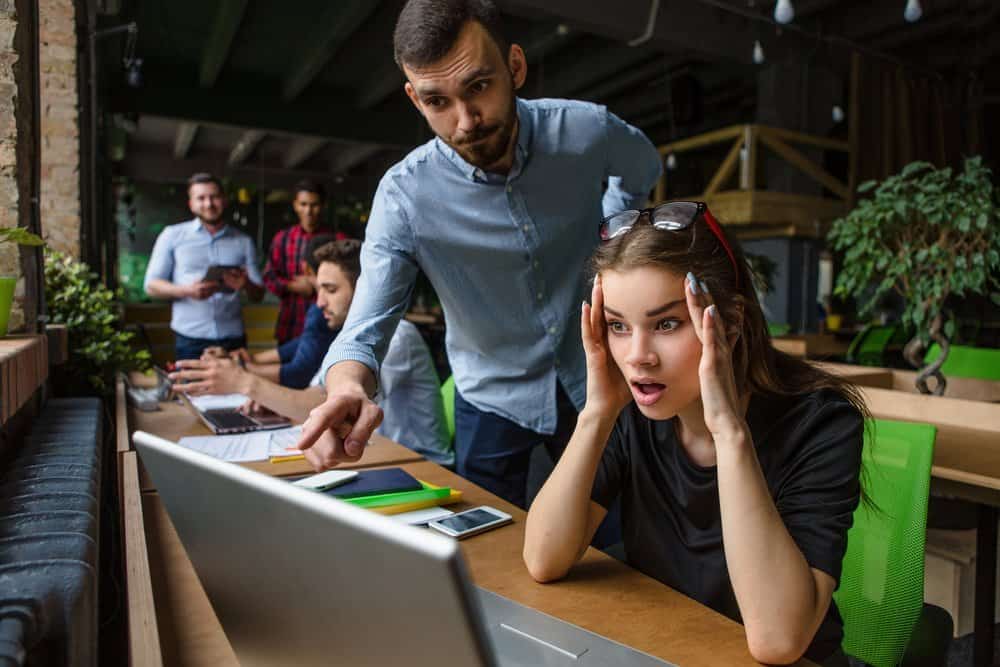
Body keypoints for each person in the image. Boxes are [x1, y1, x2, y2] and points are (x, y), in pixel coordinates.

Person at [297, 0, 661, 508]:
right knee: (485, 536)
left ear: (515, 66)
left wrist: (611, 239)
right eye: (437, 101)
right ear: (414, 99)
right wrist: (346, 387)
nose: (465, 121)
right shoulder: (404, 196)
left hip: (594, 375)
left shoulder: (585, 130)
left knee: (616, 530)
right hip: (490, 397)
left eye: (479, 86)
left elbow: (643, 167)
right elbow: (366, 324)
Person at [522, 201, 867, 667]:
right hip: (667, 647)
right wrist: (597, 413)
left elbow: (778, 641)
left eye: (666, 324)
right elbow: (543, 558)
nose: (637, 356)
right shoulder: (631, 411)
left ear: (730, 322)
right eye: (618, 326)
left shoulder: (821, 423)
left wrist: (729, 431)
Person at [170, 239, 454, 467]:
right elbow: (316, 395)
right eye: (318, 290)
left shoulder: (397, 337)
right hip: (378, 457)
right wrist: (274, 401)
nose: (319, 303)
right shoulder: (346, 340)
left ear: (365, 292)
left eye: (330, 290)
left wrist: (244, 382)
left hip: (422, 468)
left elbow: (324, 405)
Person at [144, 173, 265, 360]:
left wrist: (246, 284)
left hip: (233, 338)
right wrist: (187, 291)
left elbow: (259, 295)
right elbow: (151, 286)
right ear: (191, 204)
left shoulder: (243, 241)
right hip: (190, 338)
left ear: (224, 200)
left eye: (214, 197)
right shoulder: (172, 235)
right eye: (201, 198)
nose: (208, 204)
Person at [204, 235, 338, 389]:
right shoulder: (323, 313)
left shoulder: (321, 311)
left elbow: (298, 374)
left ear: (305, 268)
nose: (321, 301)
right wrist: (247, 359)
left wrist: (237, 368)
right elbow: (304, 343)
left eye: (333, 290)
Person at [263, 180, 332, 344]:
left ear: (323, 206)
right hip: (290, 325)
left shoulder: (336, 239)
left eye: (314, 205)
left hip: (325, 327)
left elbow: (349, 283)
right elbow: (269, 277)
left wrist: (315, 284)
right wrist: (292, 286)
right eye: (303, 204)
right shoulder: (283, 239)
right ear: (295, 205)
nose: (308, 211)